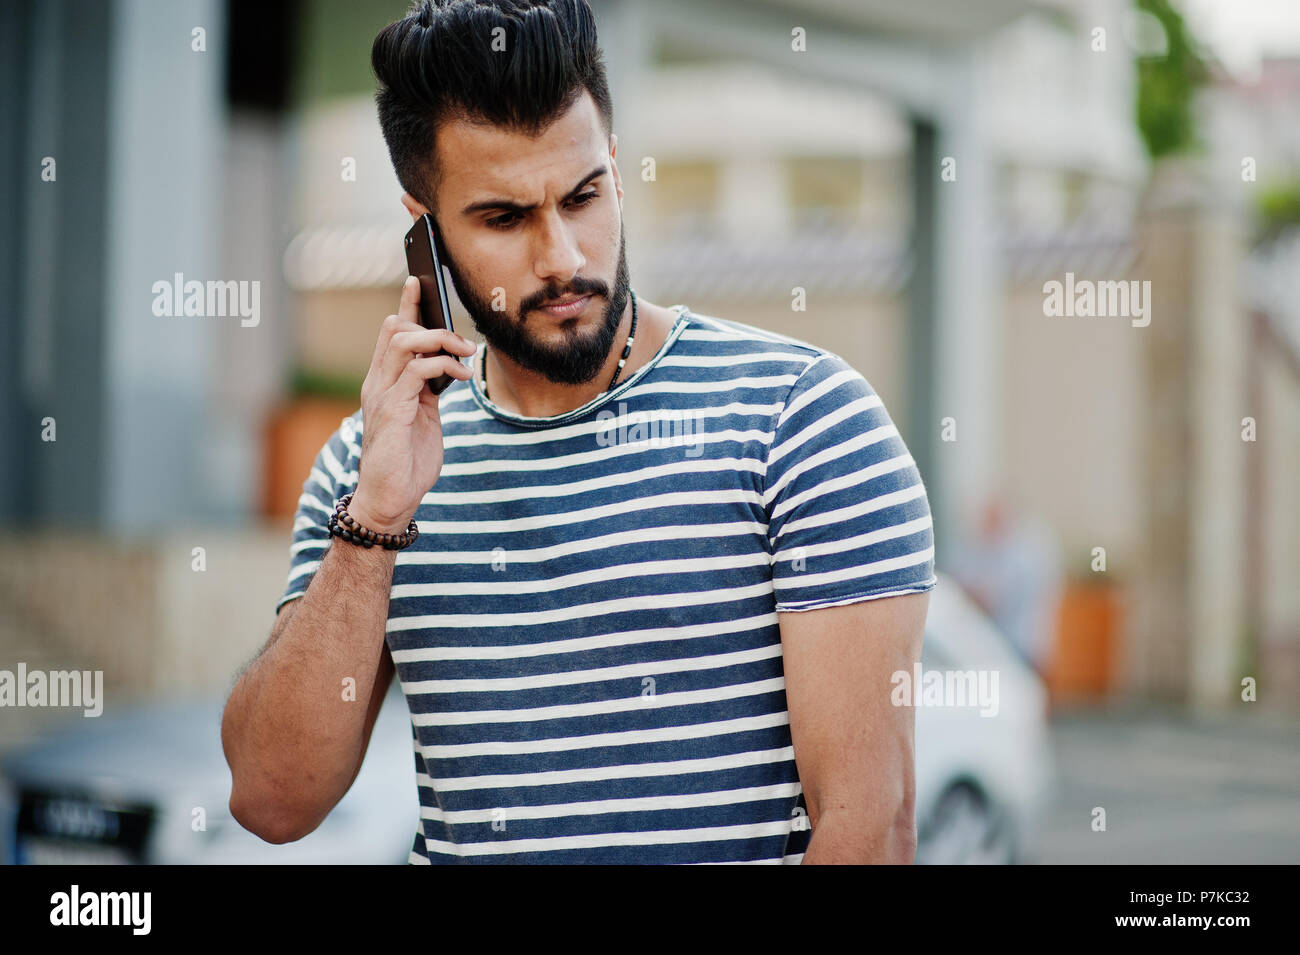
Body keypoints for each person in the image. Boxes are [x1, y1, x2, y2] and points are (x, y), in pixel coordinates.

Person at [222, 0, 936, 865]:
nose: (562, 255)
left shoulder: (804, 421)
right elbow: (272, 796)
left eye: (584, 195)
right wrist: (375, 515)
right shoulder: (372, 466)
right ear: (424, 231)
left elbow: (869, 830)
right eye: (504, 217)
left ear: (617, 175)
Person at [949, 493, 1063, 678]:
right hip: (1027, 645)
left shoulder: (1020, 554)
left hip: (1019, 647)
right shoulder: (1012, 551)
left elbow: (994, 599)